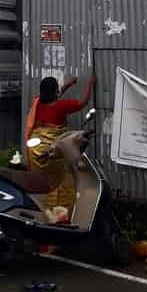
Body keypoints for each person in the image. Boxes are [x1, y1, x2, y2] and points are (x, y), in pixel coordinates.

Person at [24, 75, 95, 222]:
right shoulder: (60, 106)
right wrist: (90, 82)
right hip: (52, 154)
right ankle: (60, 221)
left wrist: (68, 84)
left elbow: (54, 96)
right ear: (55, 91)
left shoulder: (37, 103)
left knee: (42, 187)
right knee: (62, 186)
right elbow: (83, 102)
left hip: (37, 153)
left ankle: (41, 215)